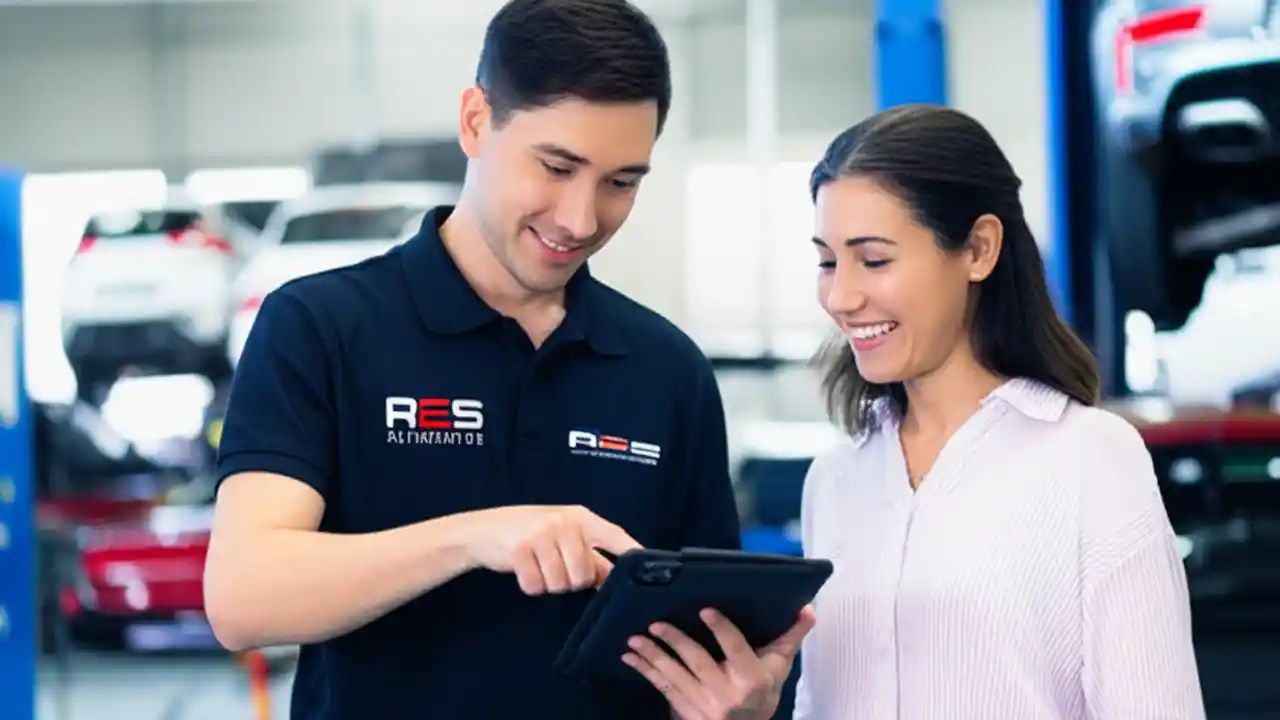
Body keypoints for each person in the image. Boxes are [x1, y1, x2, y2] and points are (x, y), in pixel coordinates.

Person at [202, 1, 812, 718]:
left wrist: (743, 703)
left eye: (621, 183)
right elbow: (244, 597)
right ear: (474, 122)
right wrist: (476, 536)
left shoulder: (666, 370)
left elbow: (706, 643)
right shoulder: (322, 327)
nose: (581, 219)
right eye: (556, 167)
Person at [788, 104, 1207, 719]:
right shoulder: (834, 481)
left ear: (979, 249)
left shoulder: (1090, 458)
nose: (840, 296)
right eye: (828, 261)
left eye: (873, 260)